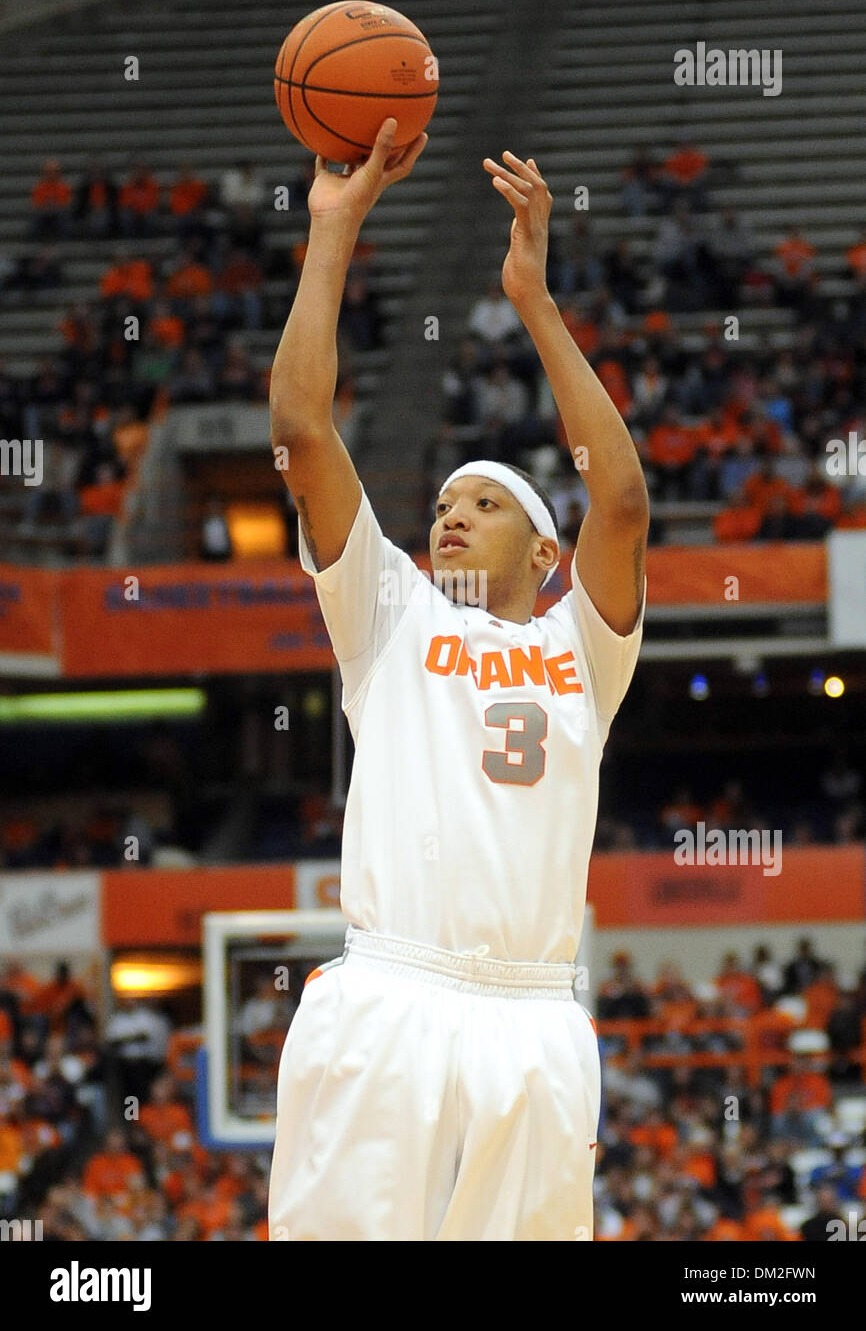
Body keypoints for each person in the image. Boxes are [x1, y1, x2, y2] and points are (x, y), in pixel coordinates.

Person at [267, 118, 649, 1242]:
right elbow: (298, 427)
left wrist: (533, 301)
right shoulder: (385, 613)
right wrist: (330, 233)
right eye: (440, 503)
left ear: (544, 555)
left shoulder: (582, 645)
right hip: (389, 993)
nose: (446, 514)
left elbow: (618, 500)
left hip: (533, 1022)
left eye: (481, 504)